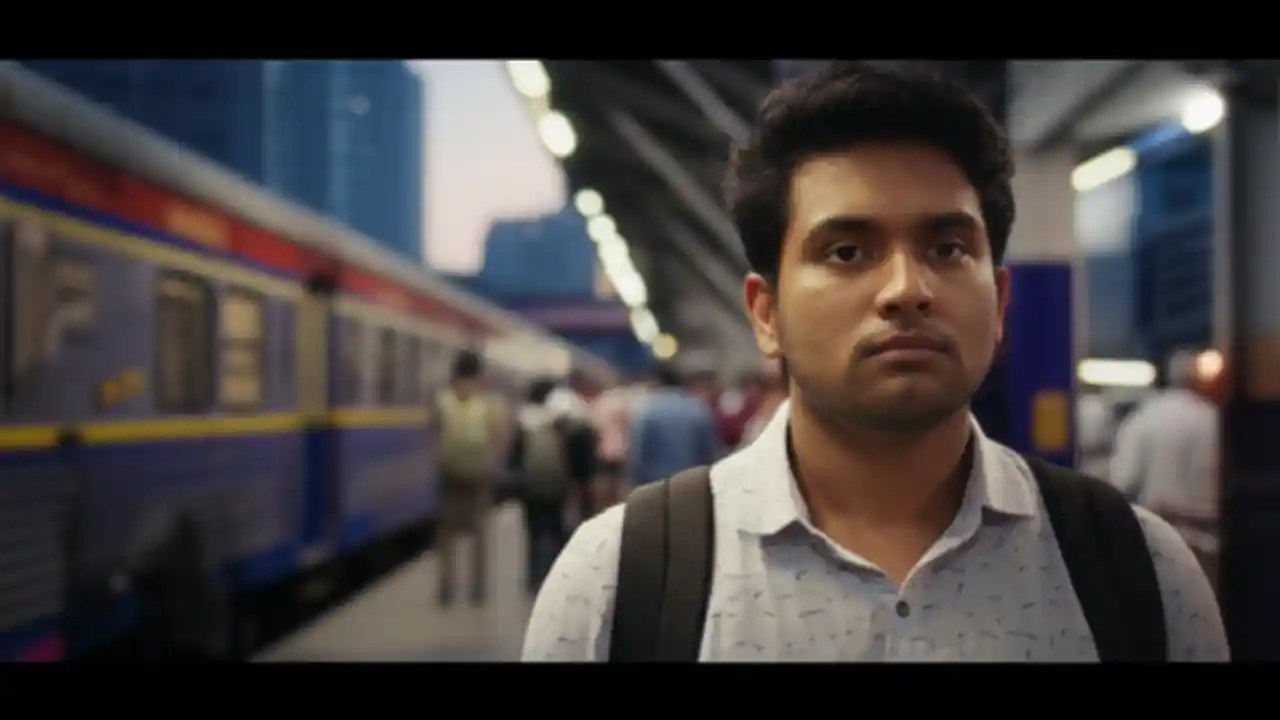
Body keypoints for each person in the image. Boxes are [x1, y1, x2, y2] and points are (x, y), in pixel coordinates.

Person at [522, 62, 1227, 661]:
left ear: (1001, 300)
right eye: (847, 252)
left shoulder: (1142, 572)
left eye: (948, 249)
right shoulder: (620, 580)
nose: (907, 291)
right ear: (765, 314)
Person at [1110, 349, 1221, 586]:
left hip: (1159, 539)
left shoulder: (1144, 417)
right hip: (1209, 542)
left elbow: (1123, 480)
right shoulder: (1212, 418)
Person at [433, 350, 504, 606]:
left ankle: (446, 587)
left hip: (449, 475)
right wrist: (491, 464)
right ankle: (478, 588)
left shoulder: (442, 401)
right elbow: (497, 437)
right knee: (479, 534)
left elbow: (434, 435)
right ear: (478, 374)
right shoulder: (487, 403)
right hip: (479, 476)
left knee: (446, 534)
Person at [509, 378, 574, 594]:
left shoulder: (521, 421)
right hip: (556, 484)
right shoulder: (557, 421)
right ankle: (557, 575)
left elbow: (515, 458)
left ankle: (533, 578)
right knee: (556, 530)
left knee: (533, 532)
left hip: (530, 487)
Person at [627, 363, 721, 489]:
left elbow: (639, 452)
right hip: (692, 481)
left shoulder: (648, 409)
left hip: (656, 483)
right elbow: (709, 449)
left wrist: (635, 479)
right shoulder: (696, 407)